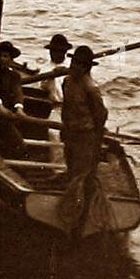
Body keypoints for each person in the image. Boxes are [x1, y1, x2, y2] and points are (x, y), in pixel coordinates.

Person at [61, 45, 108, 182]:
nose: (74, 67)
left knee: (82, 173)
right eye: (73, 62)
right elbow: (66, 106)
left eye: (79, 64)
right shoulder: (67, 82)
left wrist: (96, 142)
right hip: (70, 132)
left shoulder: (91, 88)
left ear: (86, 68)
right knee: (71, 167)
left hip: (85, 136)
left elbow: (101, 115)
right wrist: (65, 127)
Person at [39, 33, 72, 106]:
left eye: (59, 51)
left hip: (70, 104)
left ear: (64, 52)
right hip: (53, 103)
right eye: (53, 51)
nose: (54, 54)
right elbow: (42, 88)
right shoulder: (45, 68)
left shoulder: (71, 65)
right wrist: (51, 76)